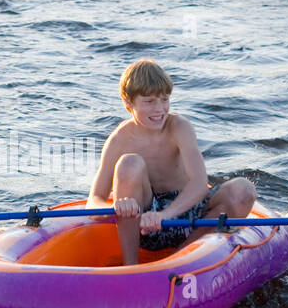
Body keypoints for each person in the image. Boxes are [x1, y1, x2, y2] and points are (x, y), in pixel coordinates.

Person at [86, 58, 256, 265]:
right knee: (129, 163)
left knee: (244, 189)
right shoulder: (119, 139)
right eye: (149, 101)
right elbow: (94, 200)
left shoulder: (179, 127)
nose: (159, 109)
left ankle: (180, 258)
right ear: (128, 102)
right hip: (146, 222)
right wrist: (119, 207)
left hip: (190, 215)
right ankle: (130, 266)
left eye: (164, 100)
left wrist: (166, 215)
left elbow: (200, 184)